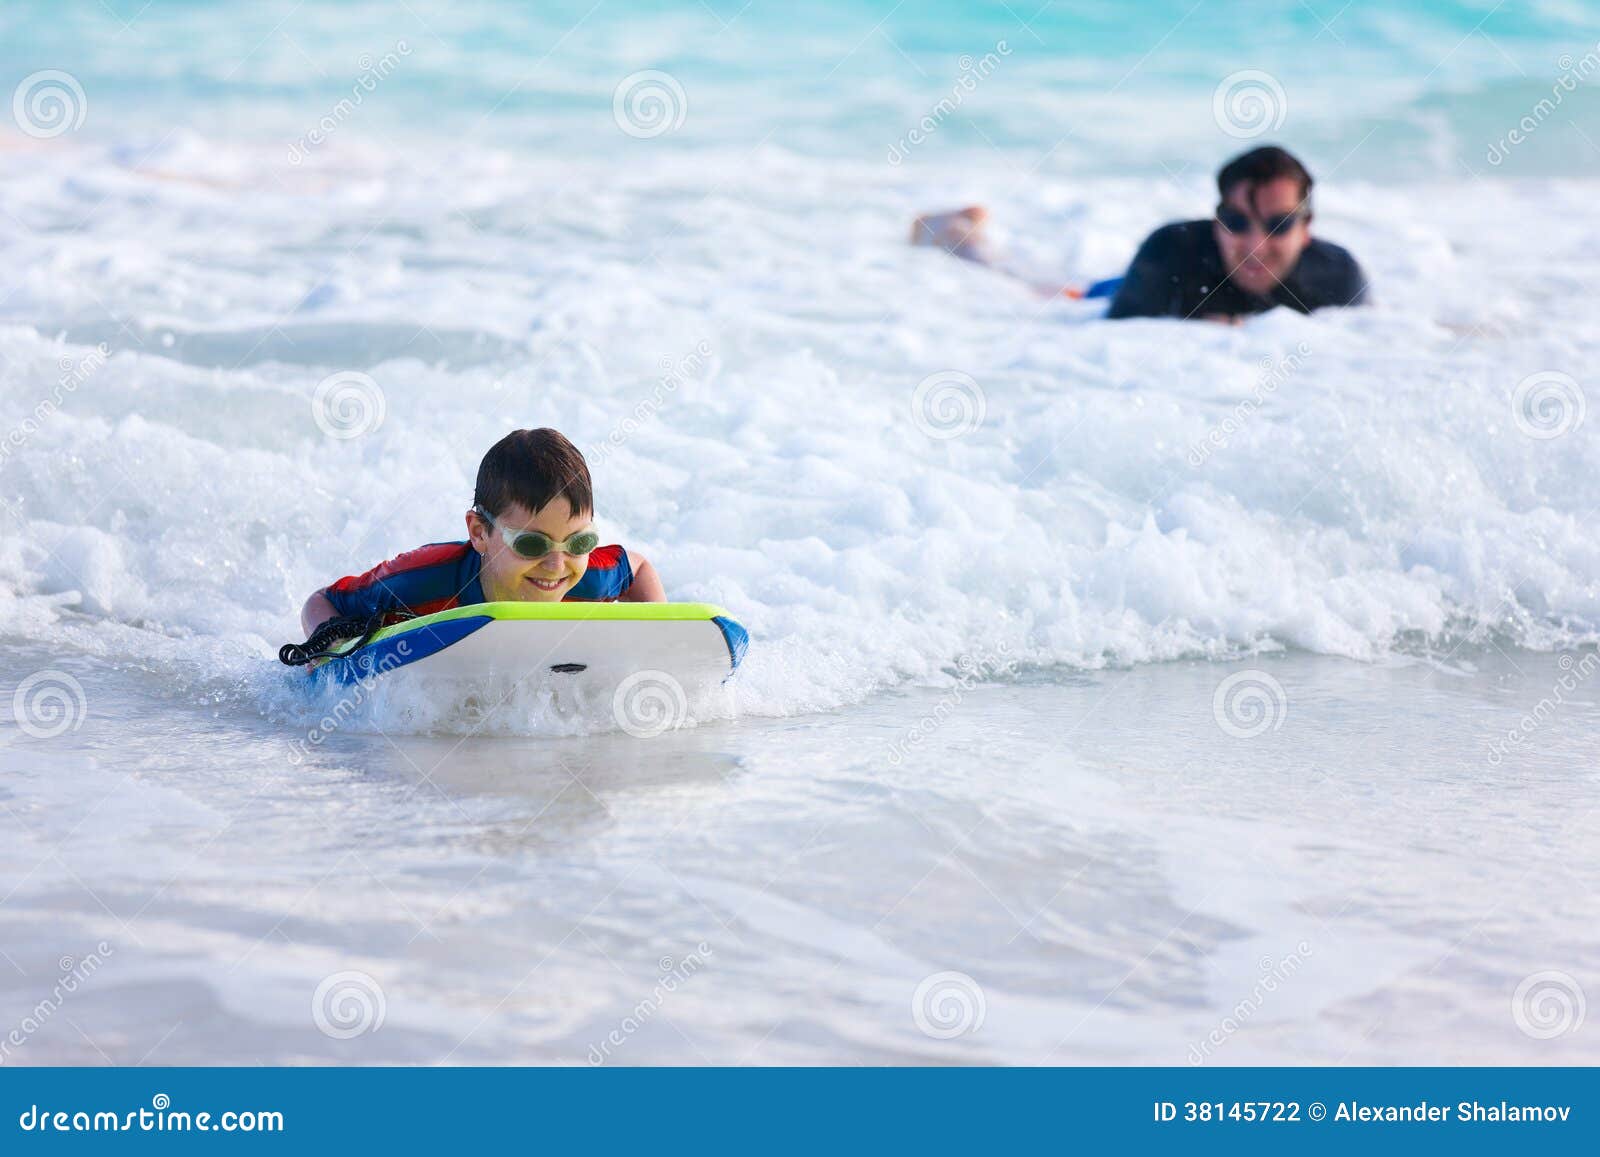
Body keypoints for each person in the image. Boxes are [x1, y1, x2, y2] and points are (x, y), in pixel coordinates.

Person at [910, 145, 1368, 322]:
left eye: (1279, 225)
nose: (1255, 244)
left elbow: (1389, 339)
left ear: (1306, 229)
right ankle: (958, 236)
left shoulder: (1337, 277)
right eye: (1236, 221)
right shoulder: (1173, 251)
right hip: (1116, 289)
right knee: (1034, 288)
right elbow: (1107, 343)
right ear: (1216, 221)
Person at [297, 427, 664, 640]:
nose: (556, 565)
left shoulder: (587, 578)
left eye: (579, 542)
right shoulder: (421, 580)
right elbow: (321, 601)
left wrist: (657, 637)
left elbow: (640, 568)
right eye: (532, 543)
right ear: (479, 532)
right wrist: (332, 645)